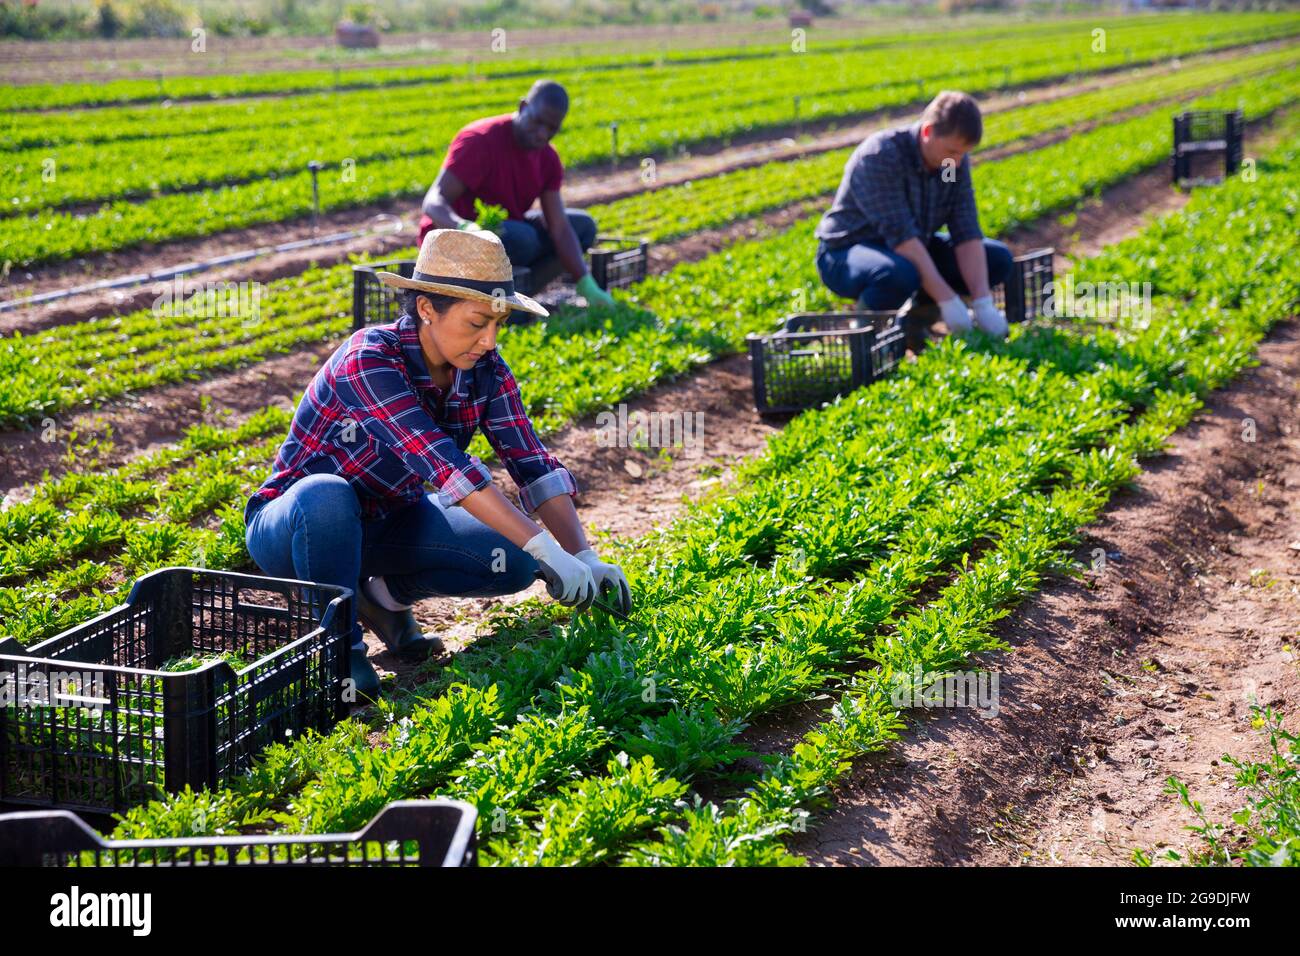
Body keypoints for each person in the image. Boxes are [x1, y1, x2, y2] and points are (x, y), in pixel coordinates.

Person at [243, 228, 632, 699]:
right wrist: (548, 548)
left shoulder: (486, 370)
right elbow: (443, 464)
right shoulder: (369, 359)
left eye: (498, 323)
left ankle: (382, 597)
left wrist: (580, 554)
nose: (489, 340)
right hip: (297, 529)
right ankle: (338, 651)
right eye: (475, 323)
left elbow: (531, 461)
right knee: (327, 494)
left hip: (390, 522)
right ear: (427, 309)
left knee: (511, 561)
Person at [814, 90, 1013, 339]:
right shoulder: (881, 156)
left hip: (912, 246)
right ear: (928, 132)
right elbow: (902, 237)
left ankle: (917, 322)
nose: (959, 162)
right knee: (897, 273)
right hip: (847, 252)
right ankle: (869, 336)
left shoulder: (950, 165)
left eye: (963, 153)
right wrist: (948, 300)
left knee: (996, 258)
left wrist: (983, 302)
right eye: (952, 151)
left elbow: (966, 230)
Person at [419, 79, 616, 308]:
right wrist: (466, 228)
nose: (542, 134)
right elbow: (433, 202)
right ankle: (485, 297)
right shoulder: (480, 140)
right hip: (453, 246)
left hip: (506, 240)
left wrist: (587, 285)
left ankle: (515, 296)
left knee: (582, 227)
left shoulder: (548, 159)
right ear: (523, 107)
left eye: (551, 129)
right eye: (537, 122)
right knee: (522, 237)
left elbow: (559, 227)